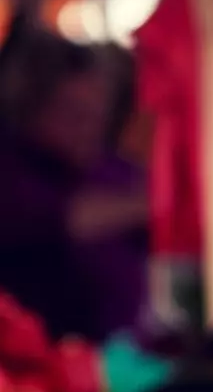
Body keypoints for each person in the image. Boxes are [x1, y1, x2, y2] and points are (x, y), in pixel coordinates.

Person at [0, 26, 149, 341]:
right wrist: (147, 203)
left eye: (99, 113)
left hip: (119, 360)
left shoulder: (112, 168)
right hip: (34, 368)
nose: (90, 127)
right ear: (33, 109)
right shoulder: (13, 170)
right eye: (74, 114)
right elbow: (60, 218)